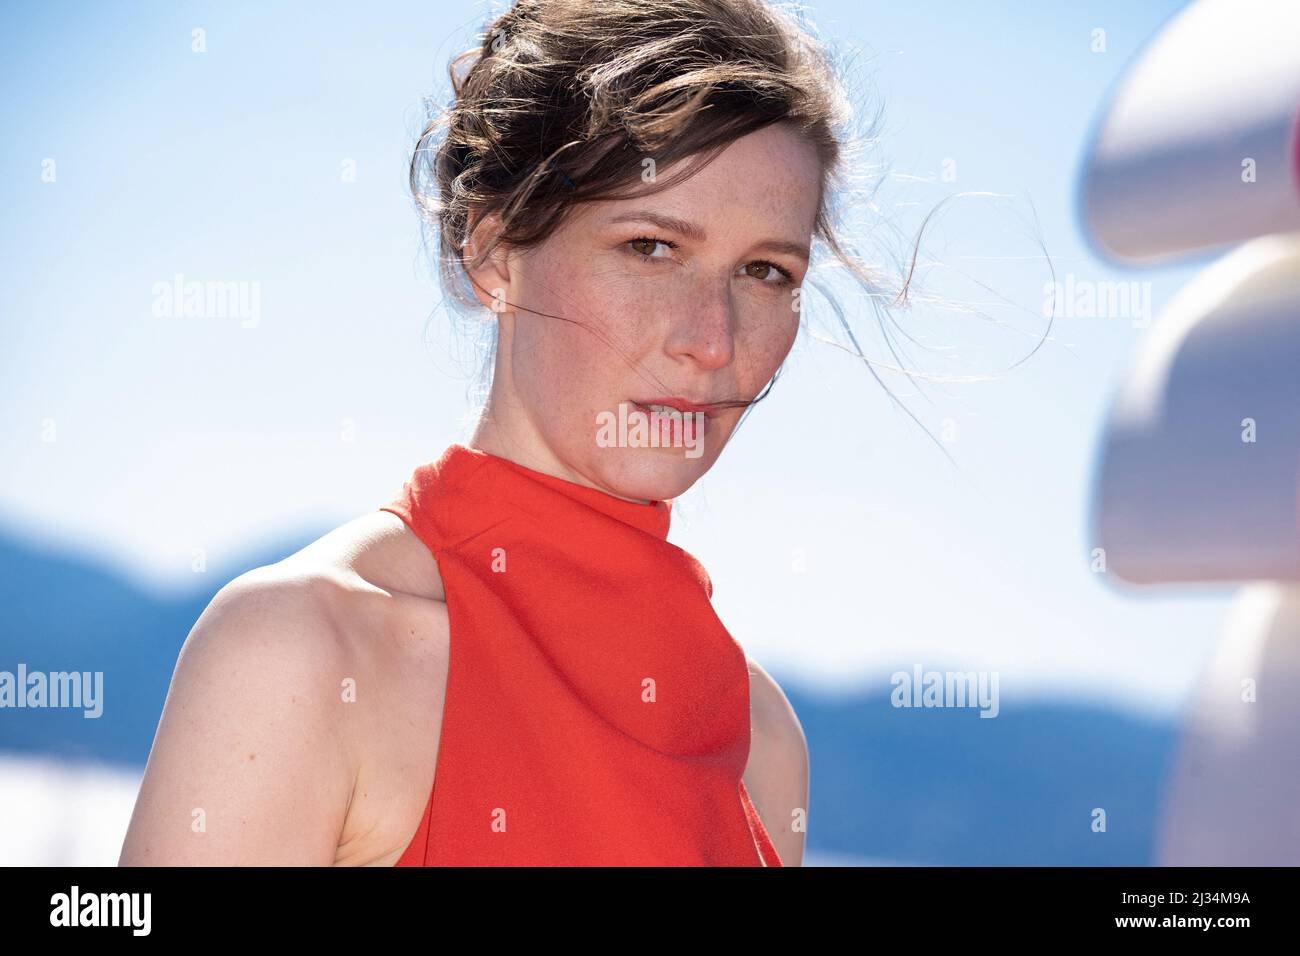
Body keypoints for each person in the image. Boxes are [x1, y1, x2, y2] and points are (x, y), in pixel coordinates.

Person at [118, 0, 878, 866]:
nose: (713, 340)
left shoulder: (763, 739)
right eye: (651, 247)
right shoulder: (304, 653)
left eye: (764, 271)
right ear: (493, 253)